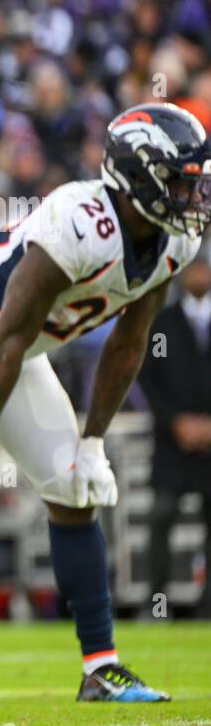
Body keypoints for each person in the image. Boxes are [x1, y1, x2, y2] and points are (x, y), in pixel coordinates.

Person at [0, 102, 205, 705]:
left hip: (18, 356)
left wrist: (91, 443)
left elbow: (128, 343)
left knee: (72, 488)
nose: (192, 194)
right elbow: (5, 336)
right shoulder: (78, 220)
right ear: (138, 176)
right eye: (181, 179)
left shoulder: (174, 244)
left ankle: (101, 668)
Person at [138, 250, 211, 618]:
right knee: (161, 518)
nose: (198, 275)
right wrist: (176, 421)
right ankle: (157, 606)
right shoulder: (162, 323)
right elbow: (147, 378)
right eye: (193, 268)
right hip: (171, 444)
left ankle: (206, 608)